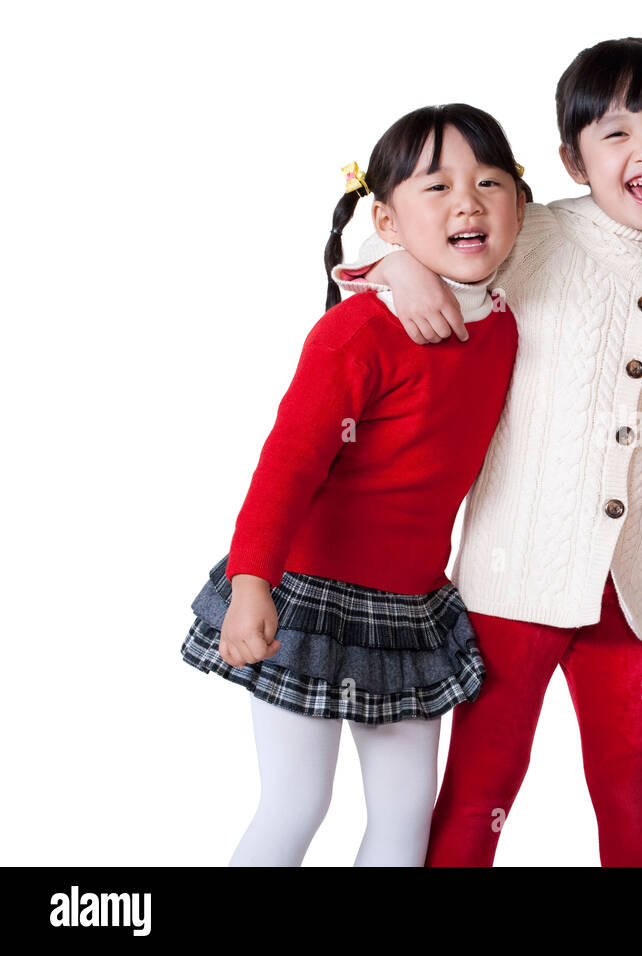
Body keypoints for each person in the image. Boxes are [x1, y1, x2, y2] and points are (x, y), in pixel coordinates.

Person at [331, 37, 642, 866]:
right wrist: (397, 266)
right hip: (515, 573)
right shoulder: (534, 232)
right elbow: (424, 231)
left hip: (632, 581)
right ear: (570, 160)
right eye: (615, 134)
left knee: (629, 779)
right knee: (485, 780)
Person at [179, 104, 526, 866]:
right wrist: (250, 583)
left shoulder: (505, 322)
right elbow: (287, 464)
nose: (469, 201)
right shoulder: (359, 331)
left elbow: (588, 244)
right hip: (304, 597)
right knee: (297, 803)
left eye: (490, 182)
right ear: (387, 221)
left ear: (521, 207)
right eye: (437, 187)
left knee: (405, 822)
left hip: (409, 612)